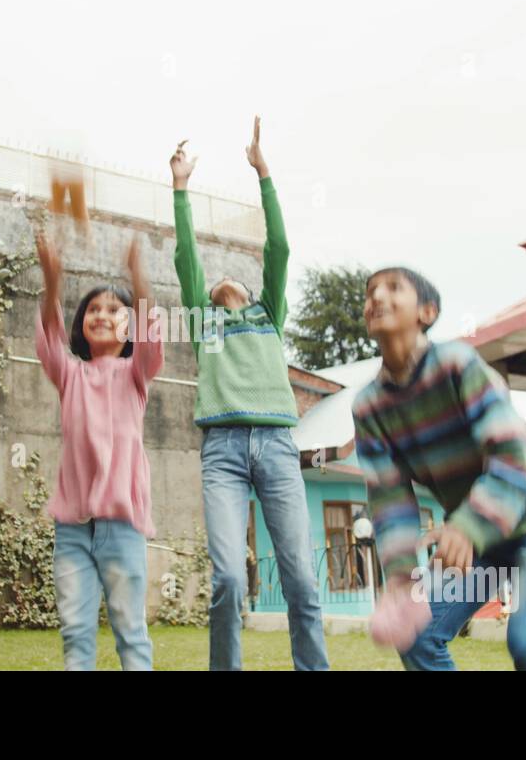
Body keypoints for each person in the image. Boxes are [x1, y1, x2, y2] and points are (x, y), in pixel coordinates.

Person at [351, 266, 526, 670]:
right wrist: (402, 581)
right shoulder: (369, 407)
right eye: (370, 293)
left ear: (427, 311)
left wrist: (468, 525)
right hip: (481, 547)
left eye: (392, 288)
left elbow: (512, 453)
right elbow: (391, 502)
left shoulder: (456, 364)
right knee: (416, 633)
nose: (377, 299)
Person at [170, 117, 329, 670]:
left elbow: (280, 246)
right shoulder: (204, 323)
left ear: (247, 288)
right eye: (212, 286)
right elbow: (186, 257)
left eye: (228, 280)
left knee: (301, 579)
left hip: (278, 445)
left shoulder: (268, 314)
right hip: (223, 452)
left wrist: (264, 172)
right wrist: (181, 188)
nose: (219, 283)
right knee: (229, 578)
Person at [34, 220, 163, 670]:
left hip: (122, 527)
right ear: (81, 324)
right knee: (75, 634)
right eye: (93, 310)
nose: (103, 315)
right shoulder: (69, 374)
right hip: (72, 530)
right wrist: (53, 279)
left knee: (131, 633)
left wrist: (137, 277)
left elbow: (150, 332)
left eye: (114, 310)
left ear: (129, 328)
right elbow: (48, 333)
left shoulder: (135, 375)